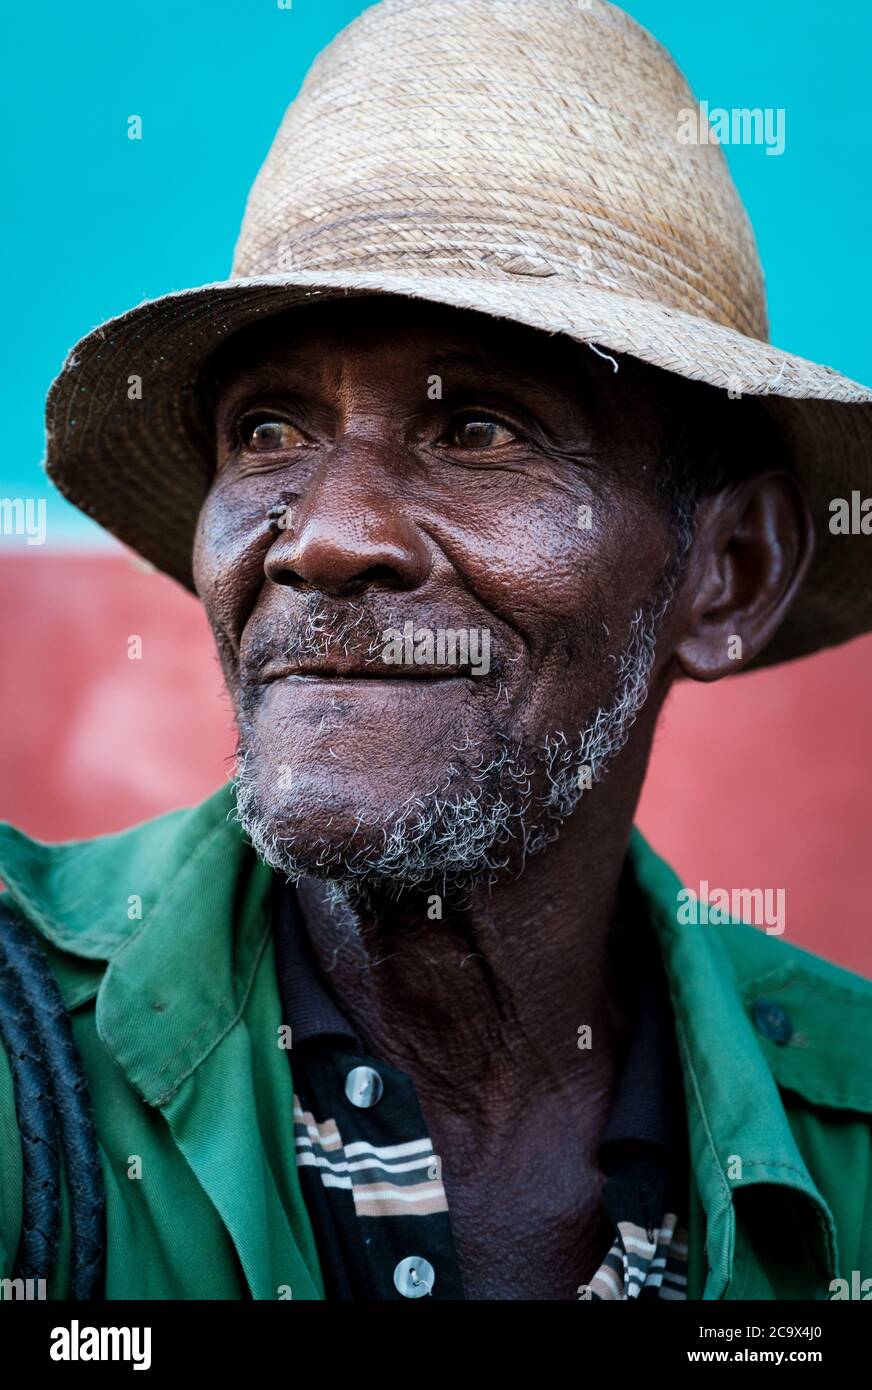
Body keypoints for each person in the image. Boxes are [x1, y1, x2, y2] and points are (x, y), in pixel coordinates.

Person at [2, 0, 871, 1301]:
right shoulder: (27, 1067)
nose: (328, 537)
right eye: (270, 432)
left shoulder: (847, 1129)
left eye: (478, 430)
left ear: (726, 571)